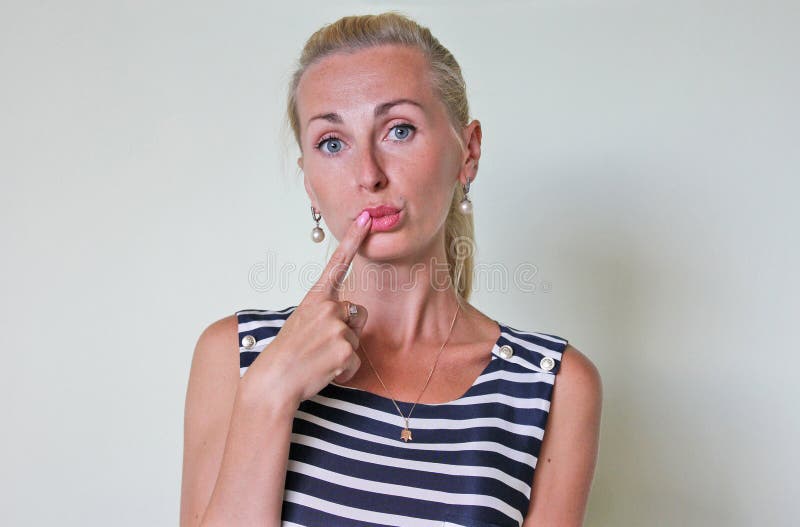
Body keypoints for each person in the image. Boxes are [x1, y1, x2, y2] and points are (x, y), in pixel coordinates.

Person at [181, 11, 602, 527]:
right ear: (310, 183)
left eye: (399, 130)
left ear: (467, 152)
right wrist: (269, 395)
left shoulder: (551, 385)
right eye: (332, 143)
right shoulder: (237, 355)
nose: (368, 174)